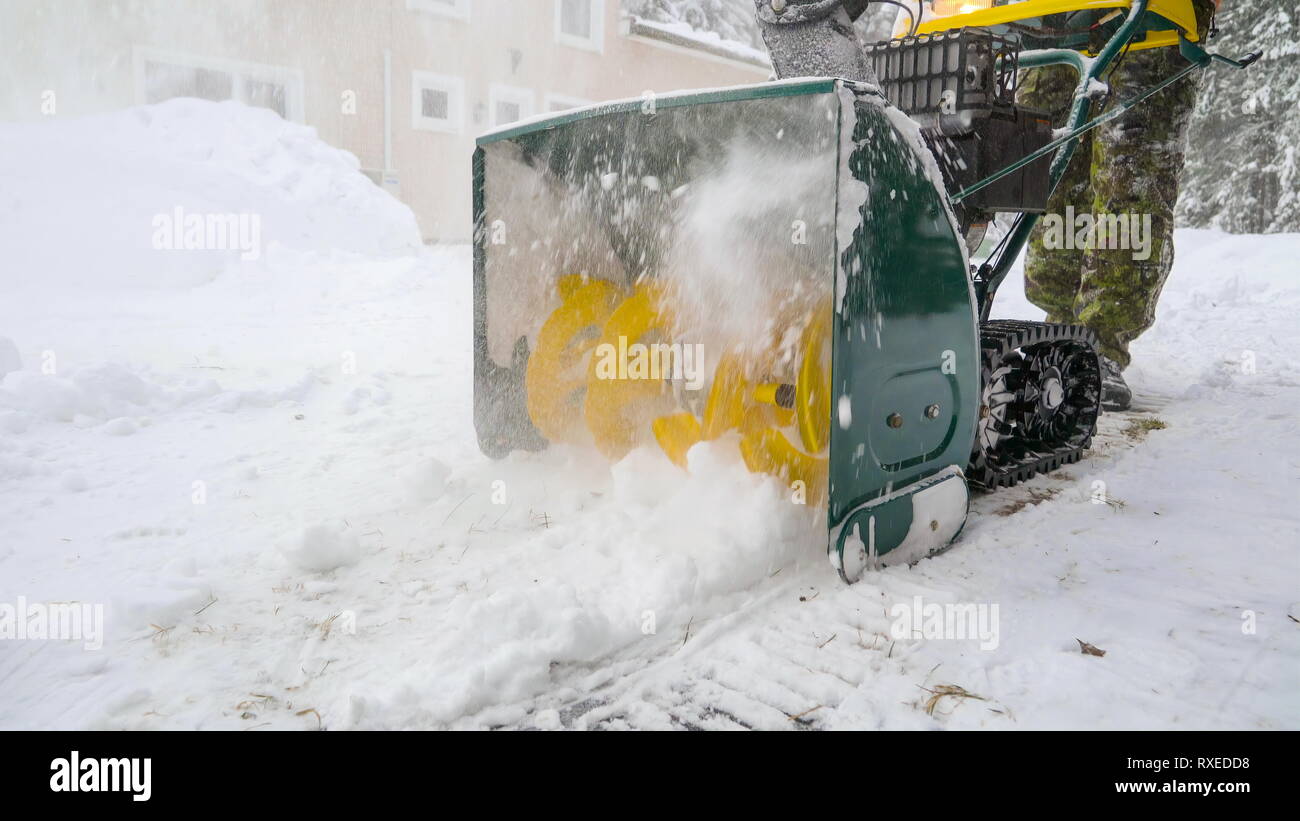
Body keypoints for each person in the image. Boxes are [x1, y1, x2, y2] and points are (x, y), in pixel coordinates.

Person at [1018, 0, 1221, 411]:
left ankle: (1100, 345)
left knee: (1130, 185)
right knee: (1053, 174)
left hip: (1155, 17)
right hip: (1049, 15)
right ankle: (1059, 330)